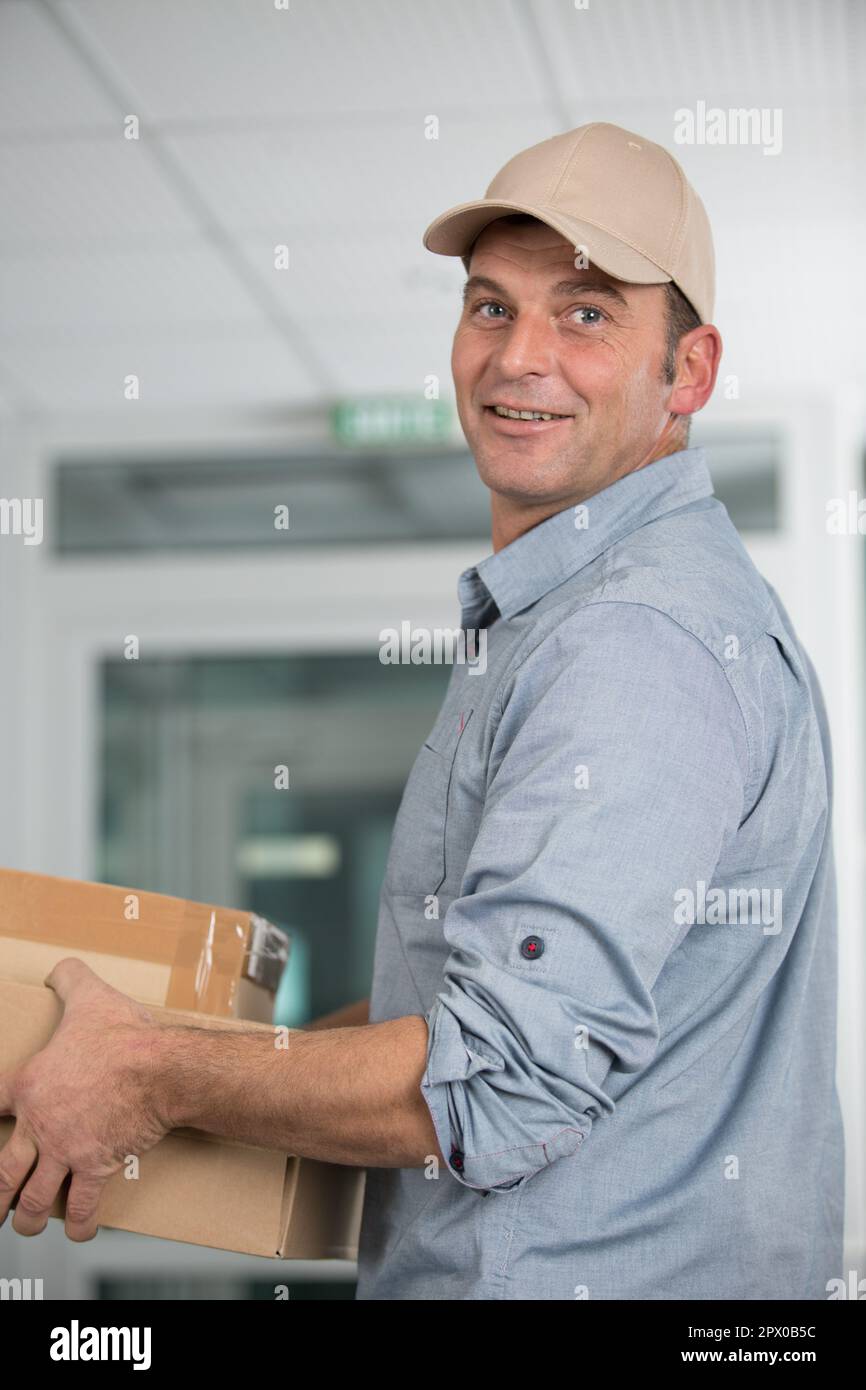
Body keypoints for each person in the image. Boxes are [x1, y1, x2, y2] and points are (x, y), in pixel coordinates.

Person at [0, 123, 844, 1301]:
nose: (518, 357)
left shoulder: (631, 641)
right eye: (490, 306)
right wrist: (157, 1054)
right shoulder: (588, 619)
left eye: (586, 313)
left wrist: (152, 1075)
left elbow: (498, 1077)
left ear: (688, 371)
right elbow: (469, 1010)